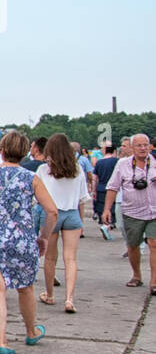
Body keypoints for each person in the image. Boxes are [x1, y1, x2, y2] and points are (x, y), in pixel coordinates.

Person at [0, 130, 56, 354]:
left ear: (2, 150)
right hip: (22, 238)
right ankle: (30, 330)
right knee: (25, 287)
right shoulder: (31, 178)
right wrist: (44, 237)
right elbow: (52, 211)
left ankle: (2, 340)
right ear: (24, 151)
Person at [36, 133, 89, 313]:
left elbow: (37, 198)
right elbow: (82, 198)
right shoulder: (77, 169)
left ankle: (50, 295)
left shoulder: (43, 170)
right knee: (71, 258)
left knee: (50, 258)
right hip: (72, 214)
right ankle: (69, 299)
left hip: (51, 214)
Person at [102, 133, 156, 294]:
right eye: (139, 145)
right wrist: (106, 209)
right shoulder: (123, 164)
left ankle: (154, 281)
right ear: (132, 148)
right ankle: (137, 275)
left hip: (154, 211)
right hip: (132, 212)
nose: (143, 148)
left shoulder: (154, 163)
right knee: (133, 246)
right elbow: (112, 187)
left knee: (154, 243)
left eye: (145, 145)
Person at [93, 144, 119, 233]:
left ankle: (104, 223)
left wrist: (94, 190)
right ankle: (110, 223)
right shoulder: (117, 161)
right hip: (113, 188)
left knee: (101, 206)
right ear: (114, 151)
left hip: (101, 187)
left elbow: (95, 178)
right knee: (112, 206)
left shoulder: (99, 162)